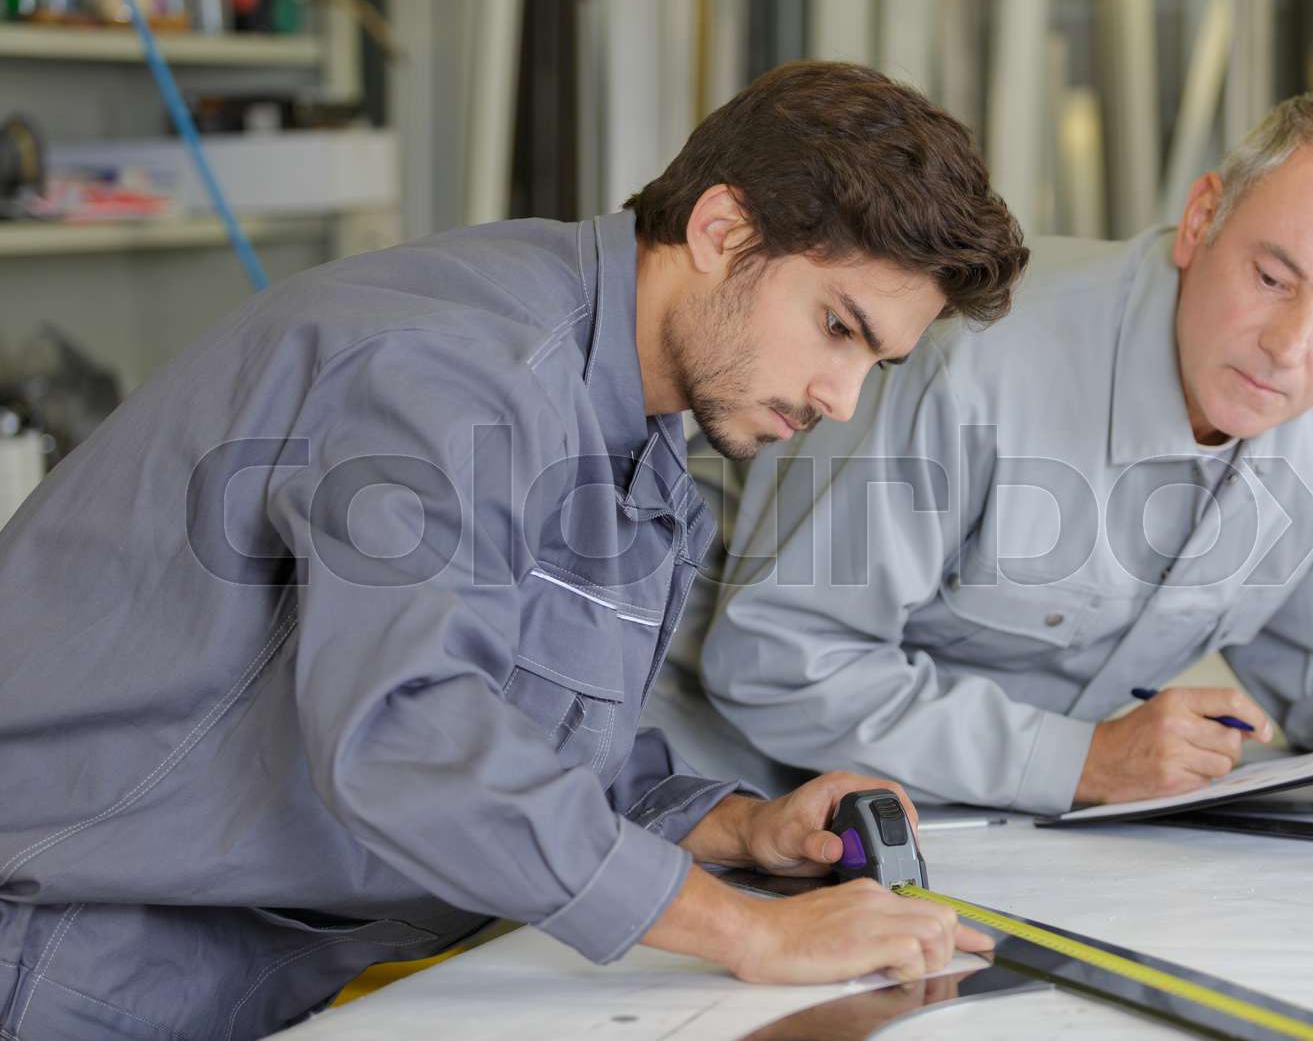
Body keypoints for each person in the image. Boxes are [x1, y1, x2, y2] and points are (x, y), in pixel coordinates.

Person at [0, 61, 1028, 1040]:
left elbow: (529, 720)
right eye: (837, 327)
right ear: (722, 229)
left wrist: (735, 829)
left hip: (261, 960)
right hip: (79, 952)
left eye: (876, 363)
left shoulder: (640, 419)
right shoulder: (457, 373)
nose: (839, 399)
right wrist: (746, 928)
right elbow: (410, 731)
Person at [682, 94, 1313, 817]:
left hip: (1000, 834)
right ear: (1201, 220)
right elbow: (780, 661)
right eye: (1272, 278)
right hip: (721, 788)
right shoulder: (973, 358)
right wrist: (1085, 759)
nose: (1287, 346)